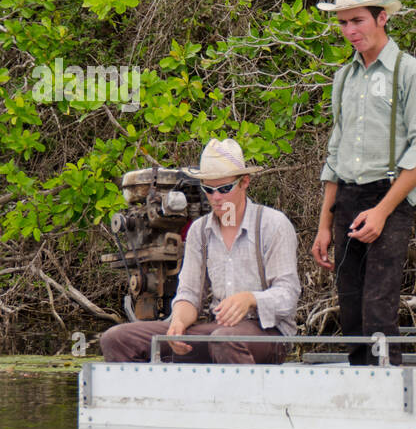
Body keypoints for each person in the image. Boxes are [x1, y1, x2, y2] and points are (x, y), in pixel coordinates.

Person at [310, 0, 416, 365]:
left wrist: (383, 210)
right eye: (343, 22)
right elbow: (336, 152)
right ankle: (359, 401)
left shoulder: (411, 72)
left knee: (378, 308)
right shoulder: (344, 77)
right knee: (350, 310)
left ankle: (389, 397)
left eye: (358, 21)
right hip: (346, 199)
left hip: (389, 196)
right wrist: (323, 225)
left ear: (382, 18)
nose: (350, 31)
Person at [101, 138, 300, 364]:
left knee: (223, 340)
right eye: (208, 189)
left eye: (224, 188)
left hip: (268, 334)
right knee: (116, 339)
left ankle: (245, 398)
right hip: (218, 332)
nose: (216, 197)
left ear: (244, 182)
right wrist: (177, 323)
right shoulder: (199, 230)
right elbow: (189, 295)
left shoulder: (273, 224)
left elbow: (288, 296)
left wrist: (250, 299)